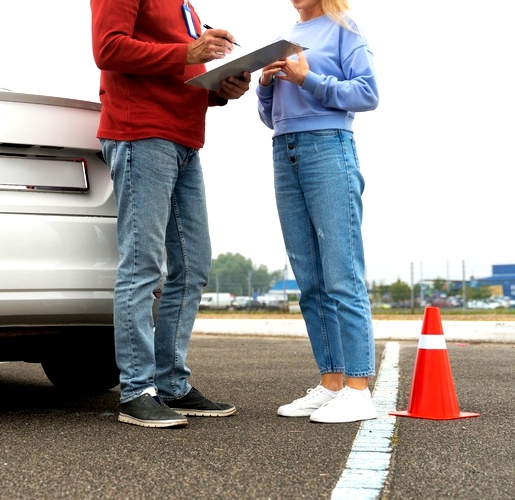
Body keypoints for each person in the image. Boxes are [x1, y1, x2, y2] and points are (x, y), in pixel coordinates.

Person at [91, 0, 251, 428]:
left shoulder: (186, 8)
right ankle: (136, 390)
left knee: (193, 265)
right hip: (142, 132)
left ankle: (171, 385)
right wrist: (188, 53)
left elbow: (183, 71)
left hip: (184, 139)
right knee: (142, 264)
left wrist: (220, 89)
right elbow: (108, 49)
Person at [257, 0, 380, 423]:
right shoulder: (286, 37)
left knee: (341, 274)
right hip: (284, 149)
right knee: (308, 278)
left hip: (328, 148)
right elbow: (270, 117)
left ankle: (359, 389)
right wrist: (266, 85)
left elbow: (367, 93)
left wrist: (308, 78)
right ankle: (331, 384)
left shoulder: (344, 28)